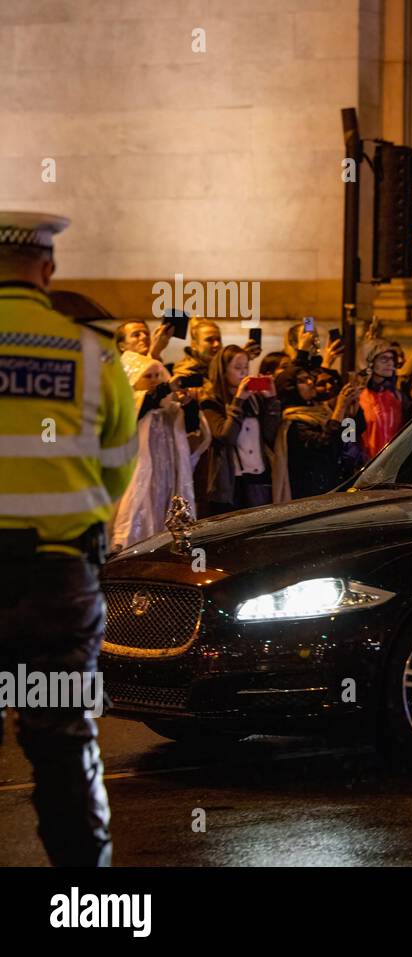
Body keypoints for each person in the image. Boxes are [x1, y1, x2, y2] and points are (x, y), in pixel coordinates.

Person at [0, 211, 136, 866]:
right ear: (47, 270)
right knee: (63, 749)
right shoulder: (91, 354)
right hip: (57, 587)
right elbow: (116, 472)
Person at [109, 351, 210, 552]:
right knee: (137, 517)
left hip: (167, 477)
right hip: (137, 477)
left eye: (158, 376)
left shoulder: (171, 408)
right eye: (148, 376)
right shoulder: (130, 404)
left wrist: (189, 404)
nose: (155, 381)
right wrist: (166, 388)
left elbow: (193, 430)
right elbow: (144, 403)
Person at [197, 345, 282, 514]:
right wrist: (238, 401)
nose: (243, 373)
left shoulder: (255, 399)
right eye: (237, 368)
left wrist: (271, 400)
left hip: (258, 477)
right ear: (223, 371)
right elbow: (226, 435)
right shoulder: (211, 402)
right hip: (231, 482)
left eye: (246, 367)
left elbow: (271, 435)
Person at [271, 367, 361, 500]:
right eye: (302, 381)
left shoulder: (323, 410)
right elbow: (325, 445)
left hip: (334, 484)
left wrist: (352, 411)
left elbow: (347, 440)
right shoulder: (293, 422)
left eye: (310, 378)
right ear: (290, 389)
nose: (310, 383)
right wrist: (340, 408)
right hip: (311, 493)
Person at [358, 339, 408, 460]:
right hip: (367, 467)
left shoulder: (397, 396)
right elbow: (348, 436)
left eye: (392, 359)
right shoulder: (358, 396)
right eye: (384, 359)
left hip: (393, 464)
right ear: (370, 363)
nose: (390, 363)